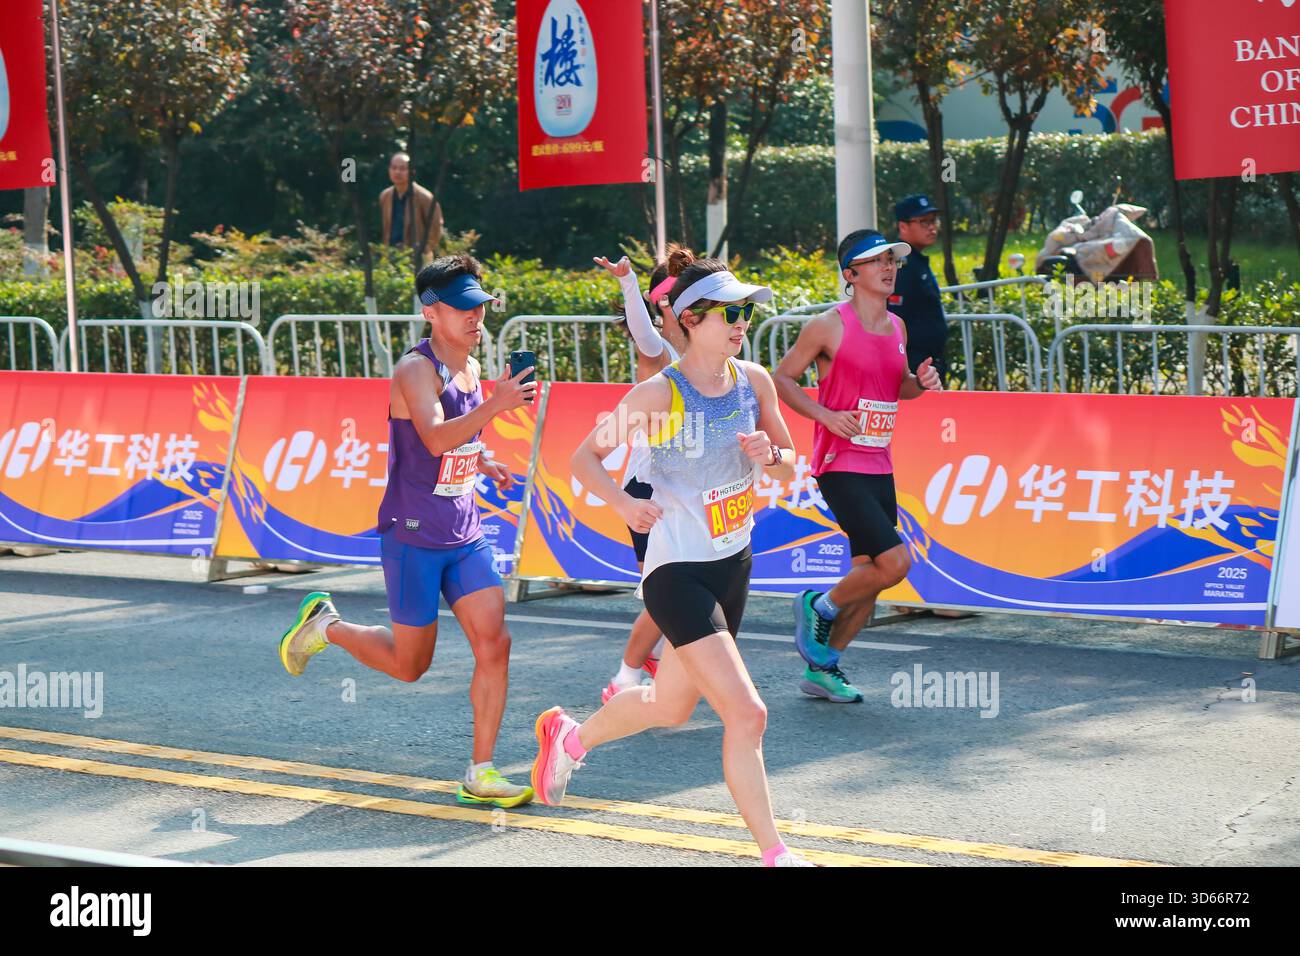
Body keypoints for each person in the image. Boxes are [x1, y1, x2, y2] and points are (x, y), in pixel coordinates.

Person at [531, 255, 814, 867]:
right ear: (688, 320)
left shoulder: (755, 382)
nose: (742, 323)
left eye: (746, 312)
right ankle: (776, 855)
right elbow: (584, 459)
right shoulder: (659, 392)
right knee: (748, 713)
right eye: (728, 314)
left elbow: (792, 466)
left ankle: (568, 740)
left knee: (669, 706)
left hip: (733, 561)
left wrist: (772, 455)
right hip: (676, 570)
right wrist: (623, 508)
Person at [278, 254, 539, 808]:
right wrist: (496, 406)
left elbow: (454, 445)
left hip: (464, 530)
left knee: (495, 643)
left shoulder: (469, 366)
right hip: (413, 534)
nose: (476, 317)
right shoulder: (414, 370)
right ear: (430, 312)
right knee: (410, 665)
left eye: (481, 306)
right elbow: (436, 437)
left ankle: (482, 771)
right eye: (463, 308)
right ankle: (328, 627)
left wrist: (482, 457)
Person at [773, 230, 942, 703]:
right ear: (851, 274)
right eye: (876, 261)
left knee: (870, 573)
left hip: (879, 461)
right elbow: (782, 378)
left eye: (892, 260)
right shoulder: (828, 326)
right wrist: (825, 415)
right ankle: (817, 604)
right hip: (839, 461)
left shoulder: (898, 328)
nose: (888, 268)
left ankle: (823, 669)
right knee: (895, 563)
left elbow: (899, 389)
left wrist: (920, 383)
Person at [589, 248, 692, 704]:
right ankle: (626, 677)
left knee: (685, 588)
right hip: (648, 488)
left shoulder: (710, 354)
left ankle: (663, 670)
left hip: (689, 487)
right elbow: (644, 334)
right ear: (667, 303)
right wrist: (629, 283)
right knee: (666, 592)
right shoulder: (660, 351)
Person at [890, 194, 948, 385]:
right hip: (914, 365)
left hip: (928, 362)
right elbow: (894, 318)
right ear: (903, 226)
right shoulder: (900, 265)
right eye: (924, 222)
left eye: (933, 221)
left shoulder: (916, 261)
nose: (932, 227)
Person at [379, 152, 443, 264]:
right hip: (391, 255)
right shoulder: (385, 196)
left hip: (416, 258)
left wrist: (424, 253)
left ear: (412, 171)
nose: (397, 172)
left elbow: (435, 230)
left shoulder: (425, 197)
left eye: (402, 169)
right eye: (394, 168)